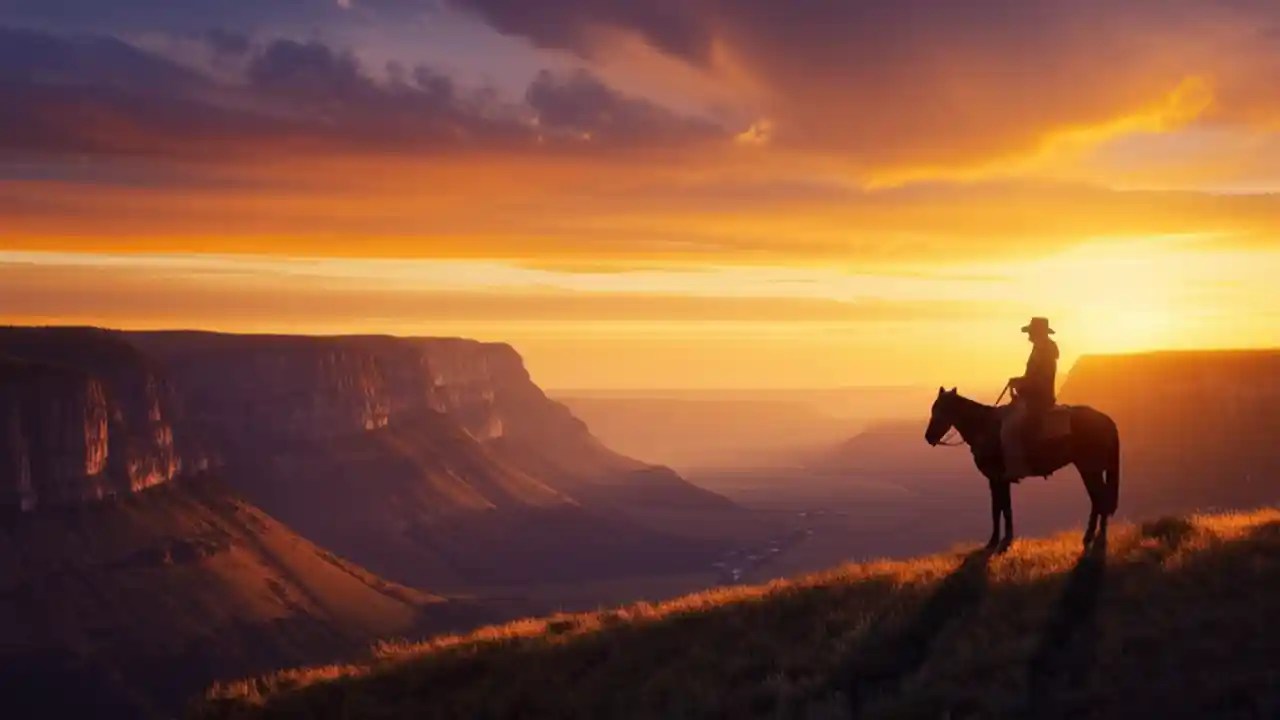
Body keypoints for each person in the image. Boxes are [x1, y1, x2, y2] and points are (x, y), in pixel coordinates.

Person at [1001, 317, 1058, 480]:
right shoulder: (1042, 350)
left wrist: (1021, 383)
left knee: (1010, 428)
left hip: (1039, 398)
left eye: (1031, 333)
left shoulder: (1045, 352)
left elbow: (1041, 378)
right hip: (1034, 395)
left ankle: (1017, 467)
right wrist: (1020, 381)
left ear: (1038, 333)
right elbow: (1033, 376)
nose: (1029, 336)